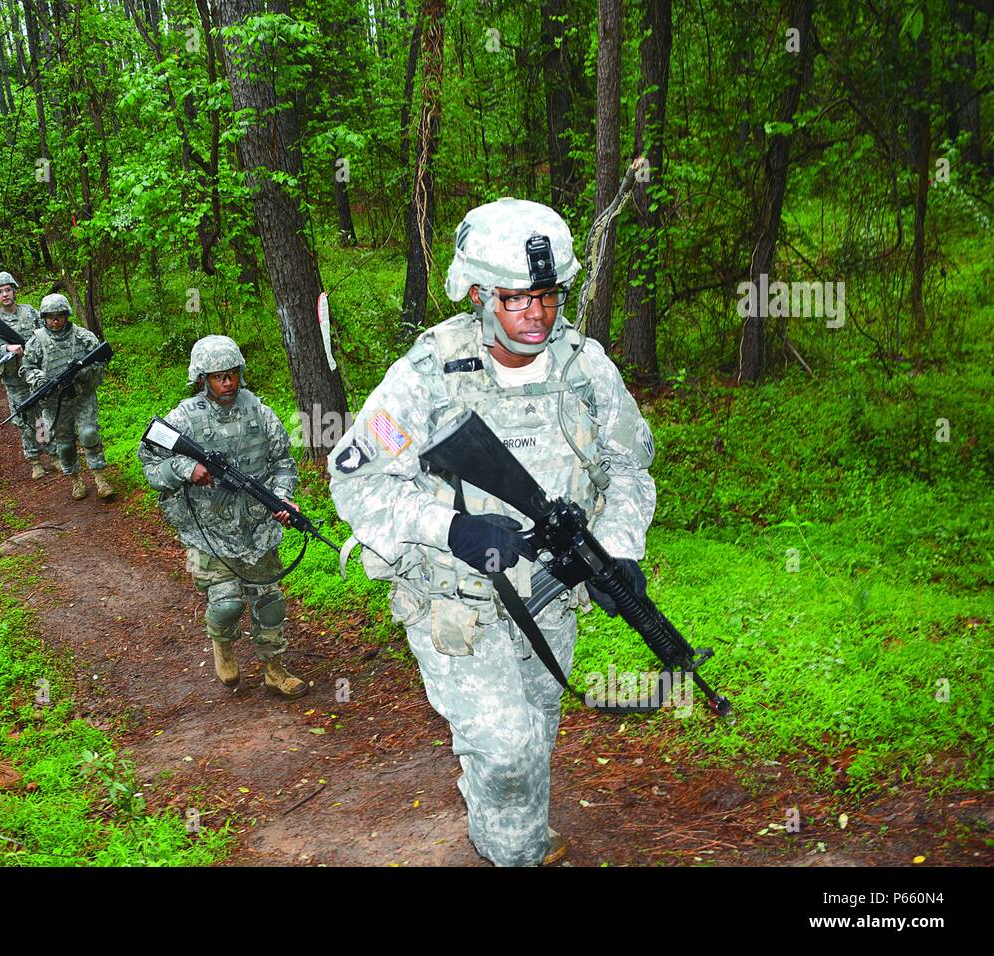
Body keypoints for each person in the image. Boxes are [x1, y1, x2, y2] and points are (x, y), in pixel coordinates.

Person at [327, 198, 657, 866]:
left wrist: (618, 549)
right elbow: (353, 480)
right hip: (459, 603)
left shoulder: (586, 370)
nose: (538, 313)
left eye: (549, 295)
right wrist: (450, 528)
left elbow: (629, 470)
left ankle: (518, 838)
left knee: (535, 731)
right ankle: (513, 853)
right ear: (477, 295)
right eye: (516, 299)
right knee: (506, 749)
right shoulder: (423, 377)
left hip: (551, 594)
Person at [136, 335, 308, 699]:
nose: (226, 382)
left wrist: (284, 498)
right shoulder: (183, 418)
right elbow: (150, 463)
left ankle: (274, 669)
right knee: (228, 604)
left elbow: (282, 463)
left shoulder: (259, 412)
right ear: (202, 378)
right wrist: (186, 467)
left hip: (257, 530)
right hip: (209, 532)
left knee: (269, 602)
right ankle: (224, 646)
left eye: (231, 374)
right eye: (217, 376)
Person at [19, 293, 114, 500]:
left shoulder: (83, 336)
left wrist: (82, 372)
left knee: (89, 434)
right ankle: (75, 480)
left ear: (66, 315)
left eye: (59, 316)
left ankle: (100, 478)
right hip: (55, 402)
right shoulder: (37, 342)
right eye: (50, 317)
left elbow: (100, 362)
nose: (55, 321)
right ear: (43, 318)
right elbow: (27, 368)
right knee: (65, 444)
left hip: (82, 396)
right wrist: (40, 379)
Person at [0, 271, 52, 478]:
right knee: (24, 418)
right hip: (14, 378)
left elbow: (48, 336)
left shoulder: (30, 313)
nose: (5, 295)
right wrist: (6, 349)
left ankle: (52, 453)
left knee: (43, 414)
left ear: (14, 291)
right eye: (0, 292)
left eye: (8, 290)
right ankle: (34, 460)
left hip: (36, 373)